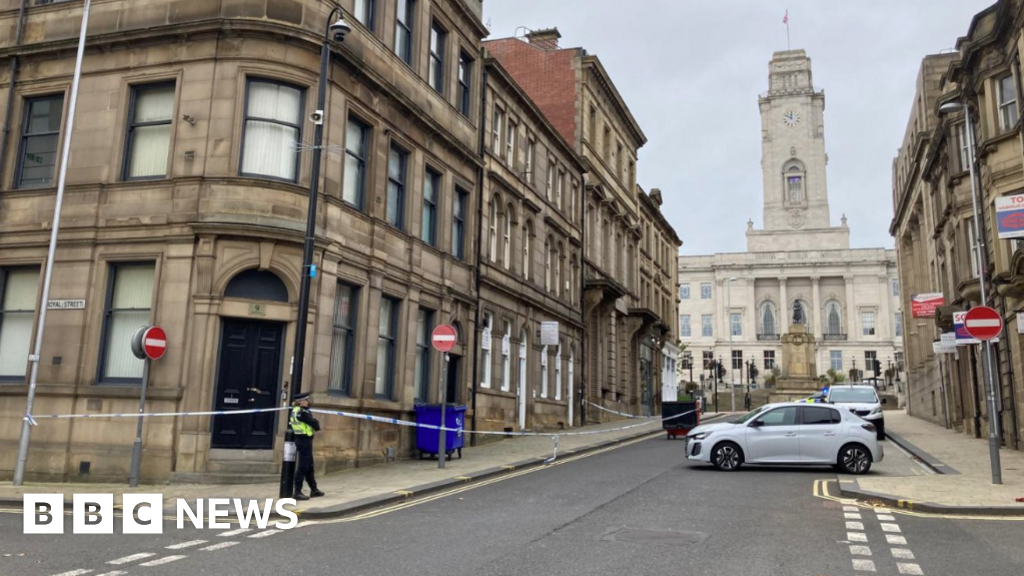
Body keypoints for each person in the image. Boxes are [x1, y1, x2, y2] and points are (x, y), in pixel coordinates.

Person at [290, 392, 323, 500]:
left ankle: (314, 489)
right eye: (307, 400)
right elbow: (316, 425)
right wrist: (313, 419)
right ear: (302, 402)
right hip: (303, 441)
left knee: (309, 466)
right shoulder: (302, 413)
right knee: (303, 467)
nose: (308, 402)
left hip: (303, 440)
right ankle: (297, 491)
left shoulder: (296, 410)